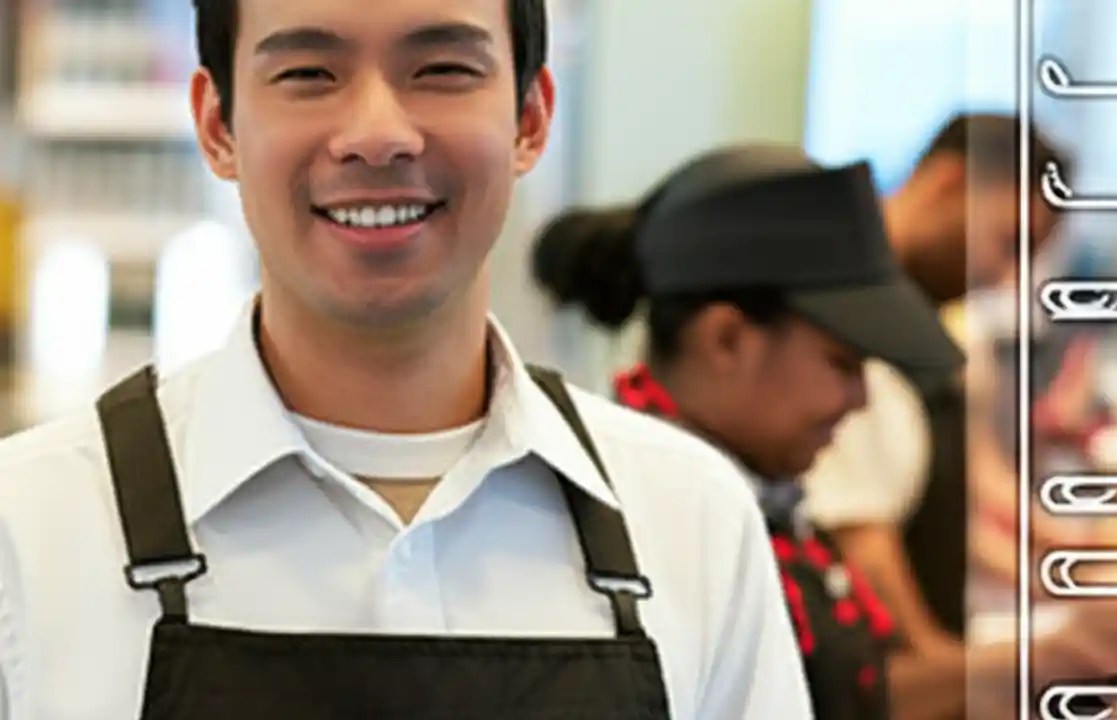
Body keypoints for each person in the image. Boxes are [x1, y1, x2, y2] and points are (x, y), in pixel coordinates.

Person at [0, 2, 813, 718]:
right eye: (310, 72)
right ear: (219, 126)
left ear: (530, 118)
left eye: (443, 69)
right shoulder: (33, 528)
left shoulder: (690, 519)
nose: (377, 134)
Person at [532, 143, 1117, 720]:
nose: (860, 400)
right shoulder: (644, 529)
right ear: (728, 338)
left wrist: (1064, 650)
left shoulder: (759, 492)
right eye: (842, 363)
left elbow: (847, 687)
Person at [802, 113, 1074, 647]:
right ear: (950, 182)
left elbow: (959, 504)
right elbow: (877, 591)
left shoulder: (937, 331)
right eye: (1010, 242)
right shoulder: (834, 322)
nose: (1006, 277)